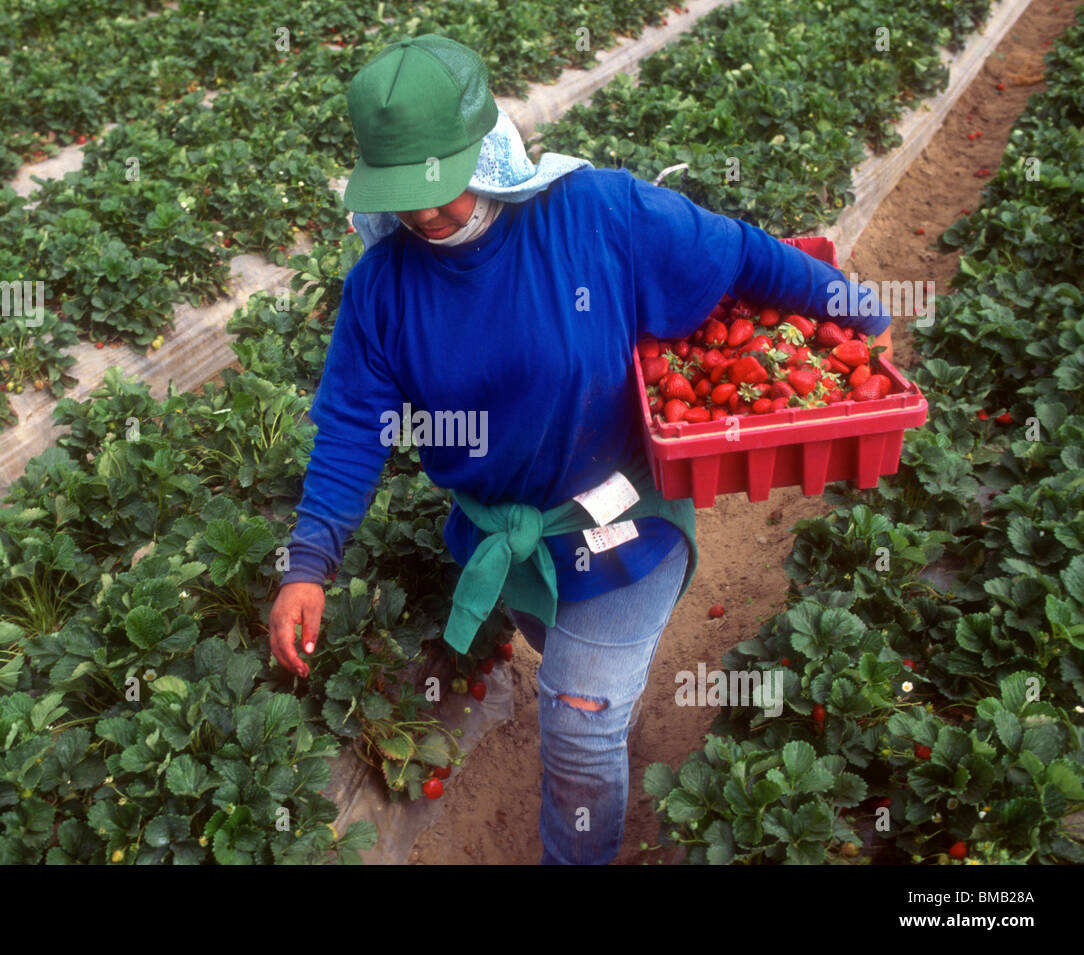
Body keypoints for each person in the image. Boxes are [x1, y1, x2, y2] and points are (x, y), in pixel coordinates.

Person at [268, 34, 892, 865]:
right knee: (563, 662)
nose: (426, 214)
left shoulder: (594, 212)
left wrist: (851, 304)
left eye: (441, 184)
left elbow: (736, 251)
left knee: (575, 715)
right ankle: (610, 710)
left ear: (482, 145)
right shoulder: (382, 287)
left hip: (625, 520)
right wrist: (308, 561)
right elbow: (353, 425)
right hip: (511, 539)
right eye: (406, 193)